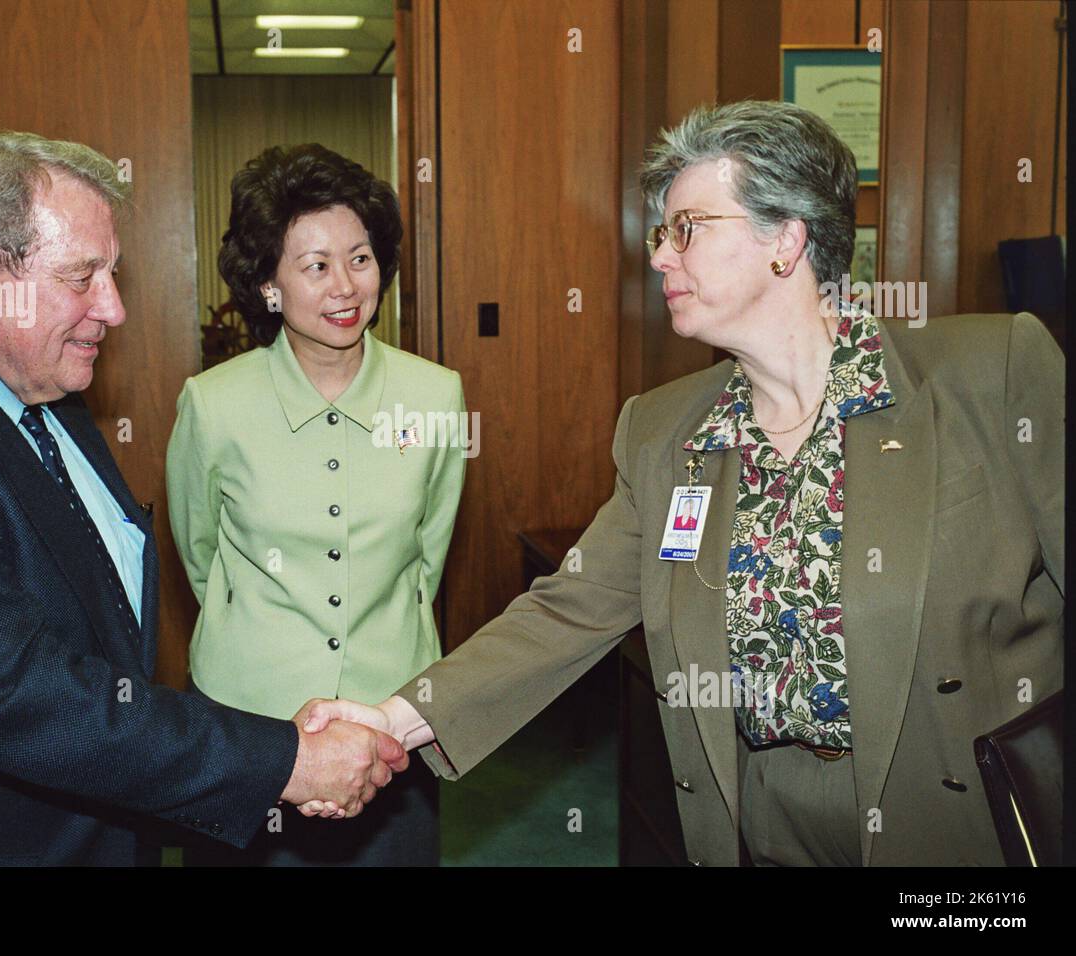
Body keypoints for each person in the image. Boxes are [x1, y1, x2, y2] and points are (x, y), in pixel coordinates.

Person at [304, 100, 1064, 866]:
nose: (661, 257)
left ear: (786, 239)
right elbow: (570, 608)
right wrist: (391, 719)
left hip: (962, 826)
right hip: (764, 822)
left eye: (687, 230)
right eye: (663, 235)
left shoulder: (991, 376)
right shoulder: (665, 432)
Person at [0, 130, 406, 866]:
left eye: (112, 275)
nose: (112, 308)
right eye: (82, 278)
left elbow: (98, 649)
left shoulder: (47, 395)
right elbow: (21, 698)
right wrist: (284, 759)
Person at [167, 144, 466, 865]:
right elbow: (201, 556)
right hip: (249, 724)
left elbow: (428, 555)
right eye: (315, 265)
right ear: (268, 284)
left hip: (391, 715)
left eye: (359, 259)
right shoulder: (213, 405)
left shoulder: (437, 396)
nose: (344, 287)